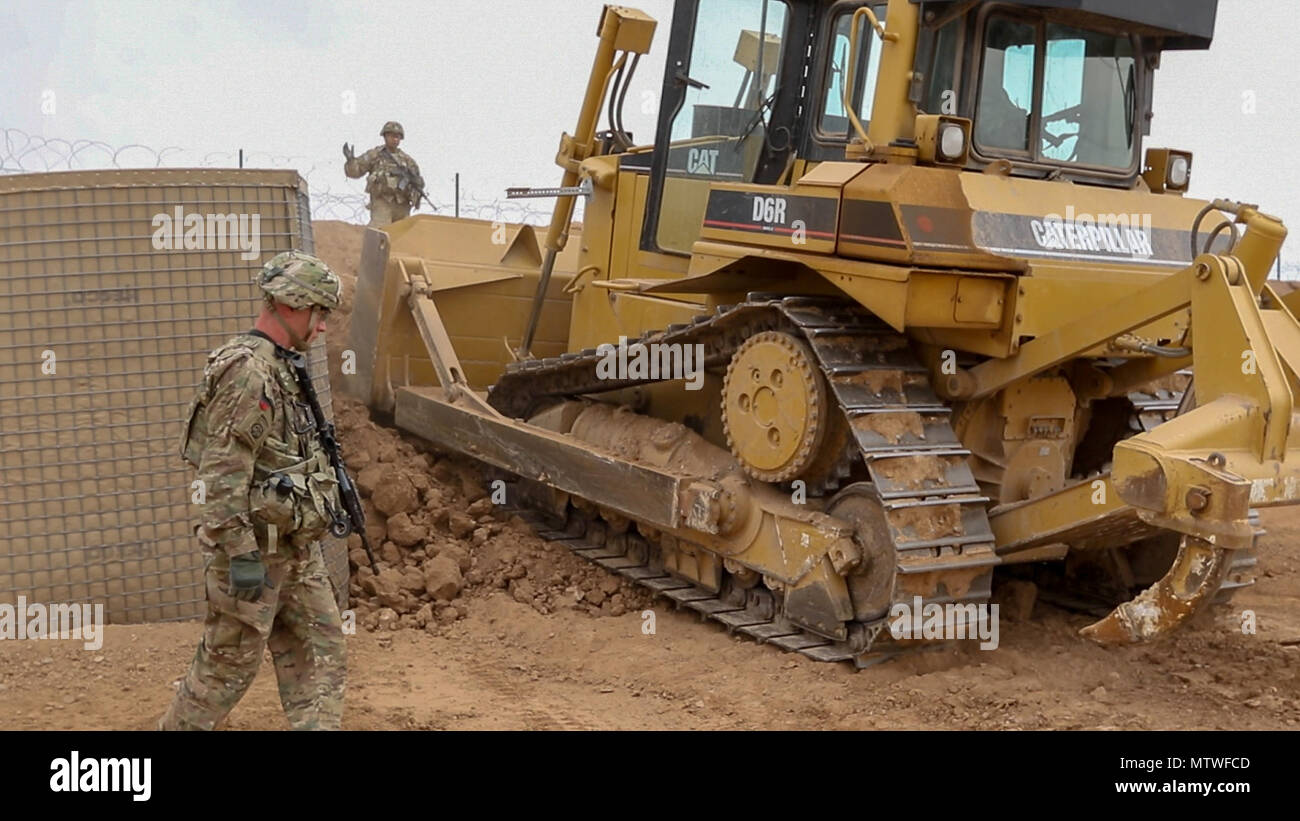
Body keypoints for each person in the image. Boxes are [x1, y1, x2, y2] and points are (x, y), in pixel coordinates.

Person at [159, 250, 347, 731]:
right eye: (318, 312)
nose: (322, 326)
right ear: (291, 304)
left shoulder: (282, 365)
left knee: (321, 651)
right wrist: (241, 556)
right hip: (252, 555)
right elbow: (220, 476)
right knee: (225, 670)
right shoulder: (249, 372)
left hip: (294, 548)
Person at [343, 121, 426, 227]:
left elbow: (418, 181)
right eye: (392, 136)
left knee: (404, 234)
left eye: (397, 137)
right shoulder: (374, 155)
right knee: (380, 232)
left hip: (402, 205)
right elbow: (355, 172)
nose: (395, 139)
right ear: (385, 136)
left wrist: (417, 183)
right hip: (382, 202)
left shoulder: (407, 160)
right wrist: (350, 161)